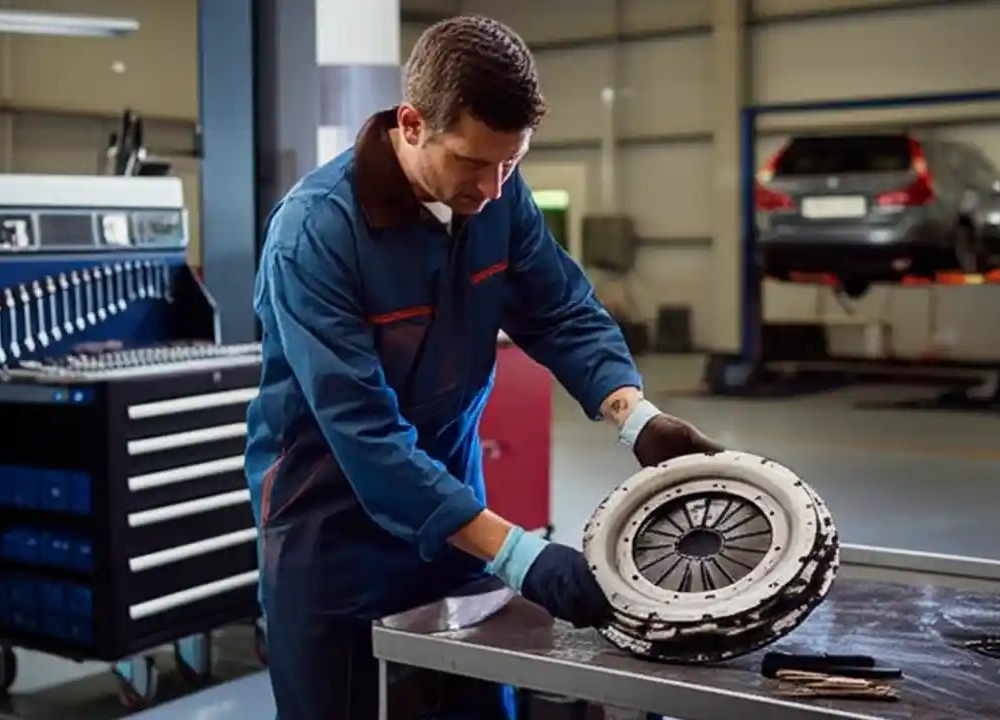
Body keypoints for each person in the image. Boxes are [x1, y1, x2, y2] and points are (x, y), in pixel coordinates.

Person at [244, 14, 724, 719]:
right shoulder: (315, 234)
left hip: (456, 514)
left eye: (511, 163)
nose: (494, 187)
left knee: (471, 704)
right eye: (473, 163)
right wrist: (523, 556)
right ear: (411, 124)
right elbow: (366, 439)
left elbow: (560, 309)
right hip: (331, 535)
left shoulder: (496, 197)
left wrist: (635, 415)